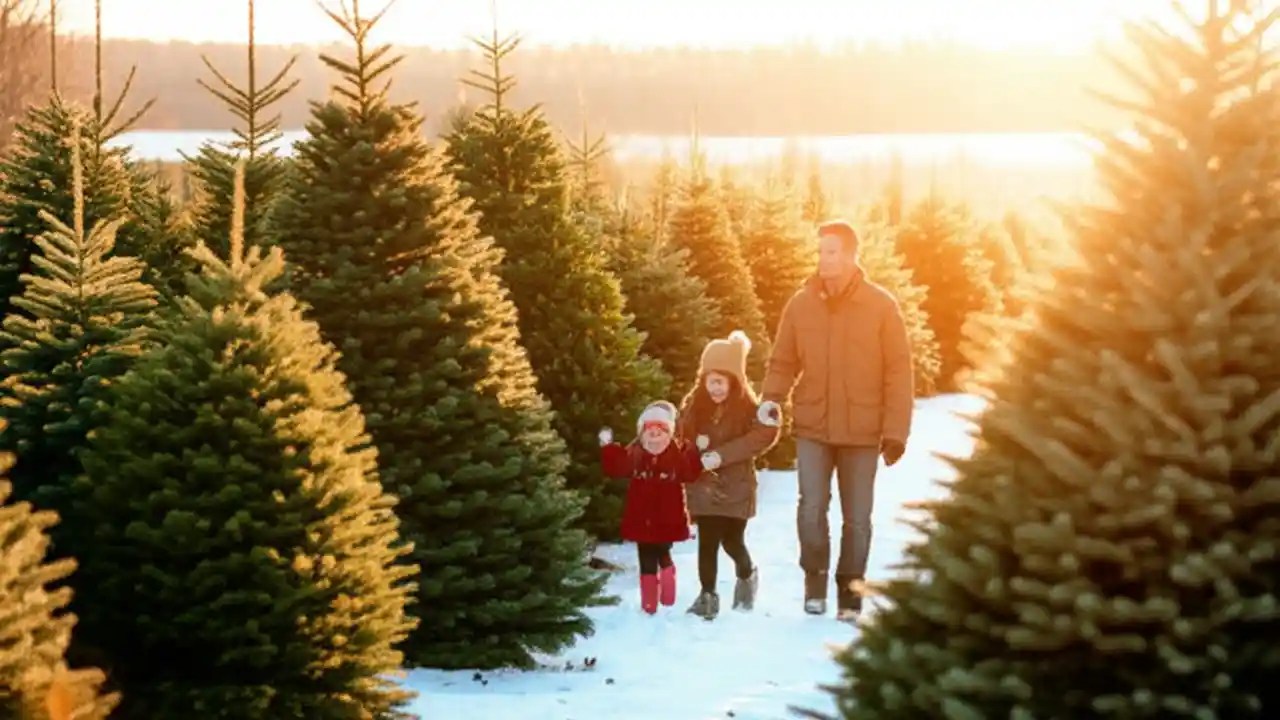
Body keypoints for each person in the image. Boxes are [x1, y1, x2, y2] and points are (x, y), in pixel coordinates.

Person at [760, 219, 915, 621]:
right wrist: (771, 398)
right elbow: (784, 359)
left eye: (831, 251)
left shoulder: (881, 306)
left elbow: (899, 371)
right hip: (814, 424)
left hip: (863, 432)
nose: (824, 259)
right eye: (820, 252)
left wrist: (895, 431)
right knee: (810, 508)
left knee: (857, 518)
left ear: (850, 255)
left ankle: (850, 591)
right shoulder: (801, 304)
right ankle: (814, 580)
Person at [676, 330, 781, 620]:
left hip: (737, 487)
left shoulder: (748, 408)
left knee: (732, 542)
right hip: (705, 487)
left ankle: (747, 575)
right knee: (707, 541)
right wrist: (692, 442)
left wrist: (721, 455)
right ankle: (707, 595)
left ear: (734, 381)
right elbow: (681, 433)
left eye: (721, 382)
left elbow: (763, 434)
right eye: (711, 381)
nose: (716, 388)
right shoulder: (695, 405)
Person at [599, 401, 707, 615]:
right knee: (655, 552)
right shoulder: (643, 453)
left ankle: (656, 599)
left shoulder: (664, 453)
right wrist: (608, 447)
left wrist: (697, 450)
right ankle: (658, 595)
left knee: (654, 552)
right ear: (642, 433)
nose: (655, 435)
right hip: (652, 514)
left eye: (661, 430)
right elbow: (616, 467)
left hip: (655, 514)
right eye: (651, 430)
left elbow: (690, 472)